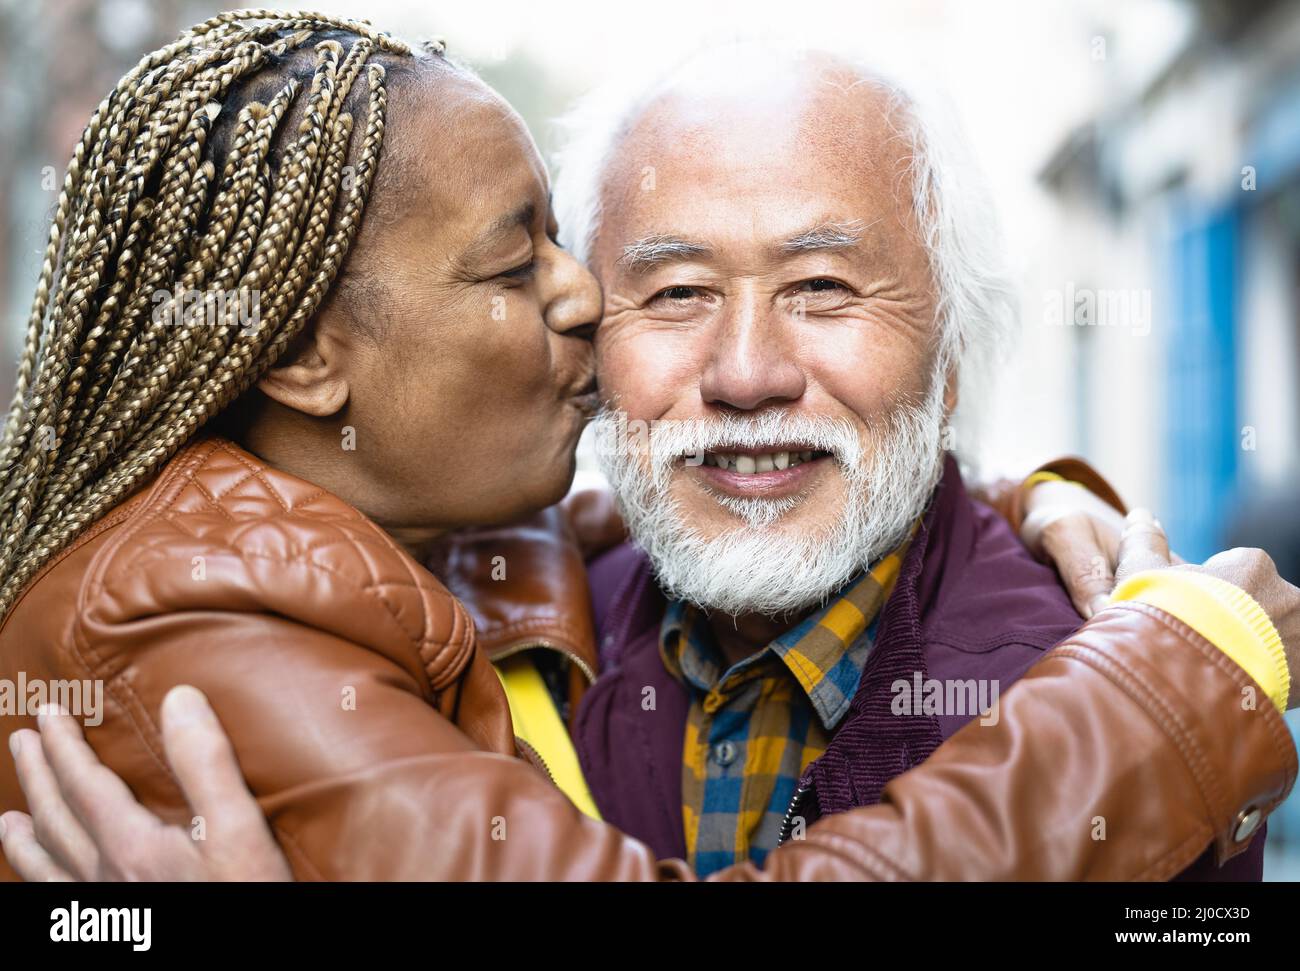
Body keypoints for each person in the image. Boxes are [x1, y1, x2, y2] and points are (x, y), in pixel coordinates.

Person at [1, 13, 1297, 882]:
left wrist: (1018, 503)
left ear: (953, 348)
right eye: (668, 293)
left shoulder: (444, 561)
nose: (743, 374)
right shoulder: (206, 628)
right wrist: (1165, 697)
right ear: (302, 356)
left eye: (827, 290)